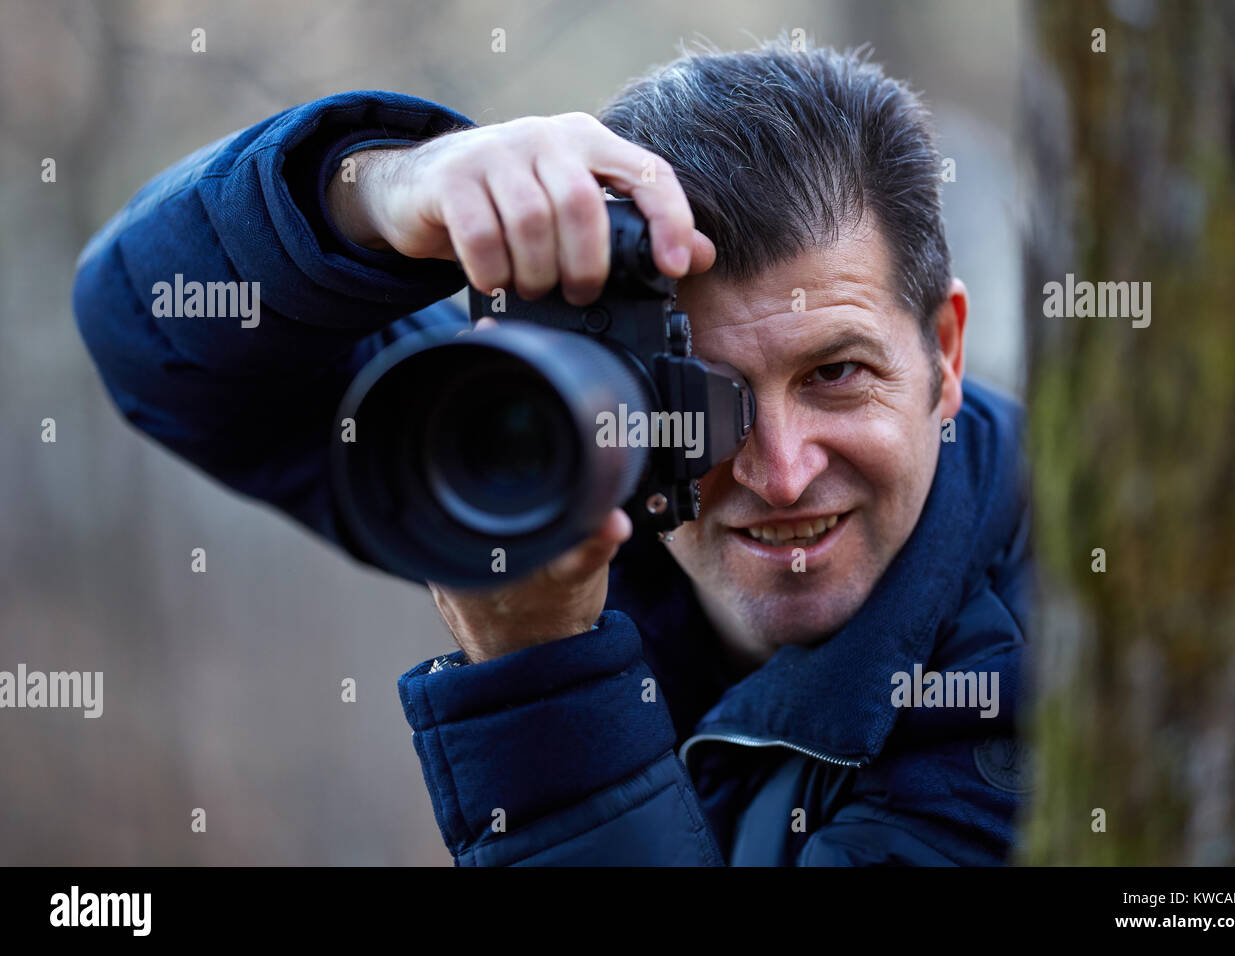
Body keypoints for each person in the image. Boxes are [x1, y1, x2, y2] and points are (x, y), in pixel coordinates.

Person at [73, 40, 1031, 865]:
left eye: (835, 375)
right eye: (699, 401)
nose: (781, 472)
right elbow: (143, 330)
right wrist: (378, 190)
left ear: (942, 355)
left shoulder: (1054, 691)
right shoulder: (559, 453)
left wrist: (538, 671)